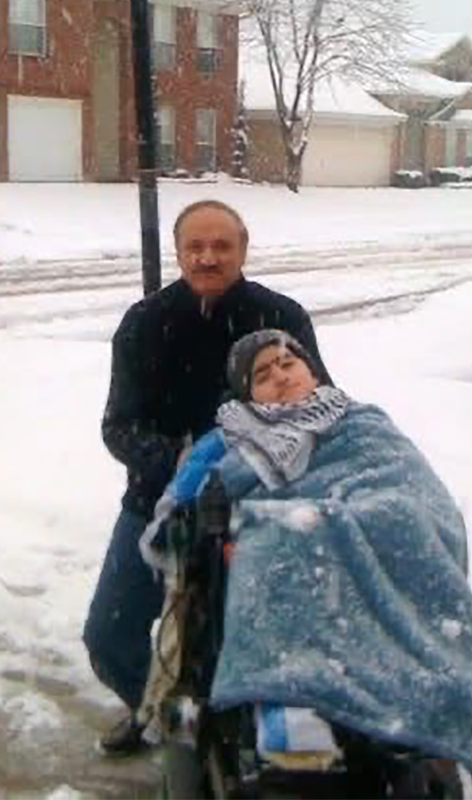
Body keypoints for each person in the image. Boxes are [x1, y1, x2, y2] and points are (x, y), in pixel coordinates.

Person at [141, 330, 472, 799]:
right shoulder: (230, 441)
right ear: (246, 393)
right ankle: (293, 706)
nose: (279, 375)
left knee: (399, 522)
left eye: (287, 363)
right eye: (262, 373)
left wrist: (365, 517)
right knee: (280, 535)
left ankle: (420, 700)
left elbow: (417, 490)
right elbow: (179, 506)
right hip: (298, 566)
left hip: (377, 540)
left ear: (311, 371)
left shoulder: (361, 421)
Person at [83, 201, 330, 756]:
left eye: (222, 246)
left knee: (231, 638)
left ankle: (230, 739)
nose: (208, 257)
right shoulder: (144, 323)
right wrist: (180, 462)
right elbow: (117, 427)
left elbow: (320, 404)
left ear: (243, 249)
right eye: (196, 246)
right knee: (109, 637)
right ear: (178, 252)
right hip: (158, 504)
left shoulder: (280, 318)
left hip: (260, 504)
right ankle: (156, 708)